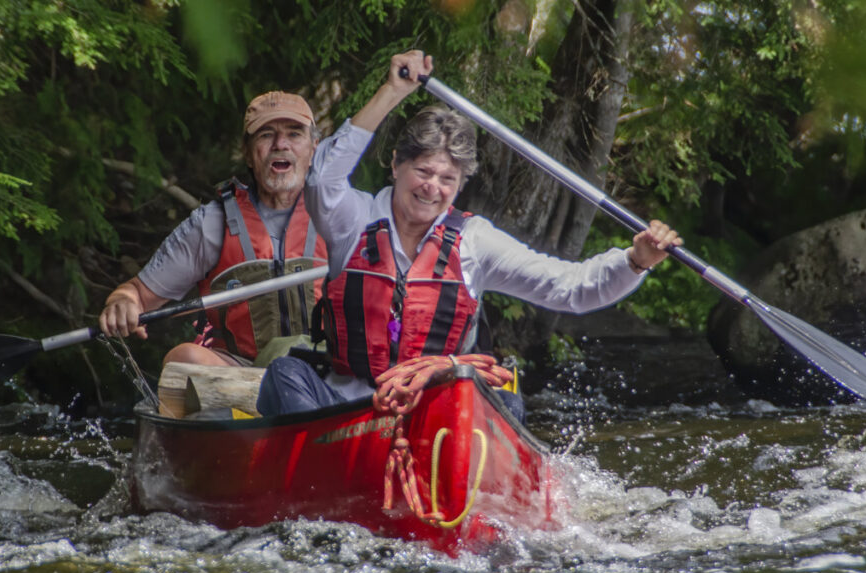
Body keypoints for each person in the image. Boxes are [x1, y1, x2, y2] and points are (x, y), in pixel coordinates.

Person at [256, 51, 682, 415]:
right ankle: (314, 473)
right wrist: (392, 91)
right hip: (342, 409)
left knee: (505, 399)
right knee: (284, 373)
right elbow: (321, 178)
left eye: (448, 179)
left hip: (435, 413)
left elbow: (569, 289)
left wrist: (635, 262)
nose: (432, 188)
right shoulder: (353, 219)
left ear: (460, 185)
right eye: (423, 171)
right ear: (396, 165)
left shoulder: (474, 242)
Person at [98, 91, 327, 367]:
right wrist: (123, 303)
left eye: (294, 134)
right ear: (247, 152)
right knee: (185, 359)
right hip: (241, 373)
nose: (280, 144)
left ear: (314, 148)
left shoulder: (341, 215)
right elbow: (136, 292)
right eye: (266, 135)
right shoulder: (213, 223)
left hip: (324, 369)